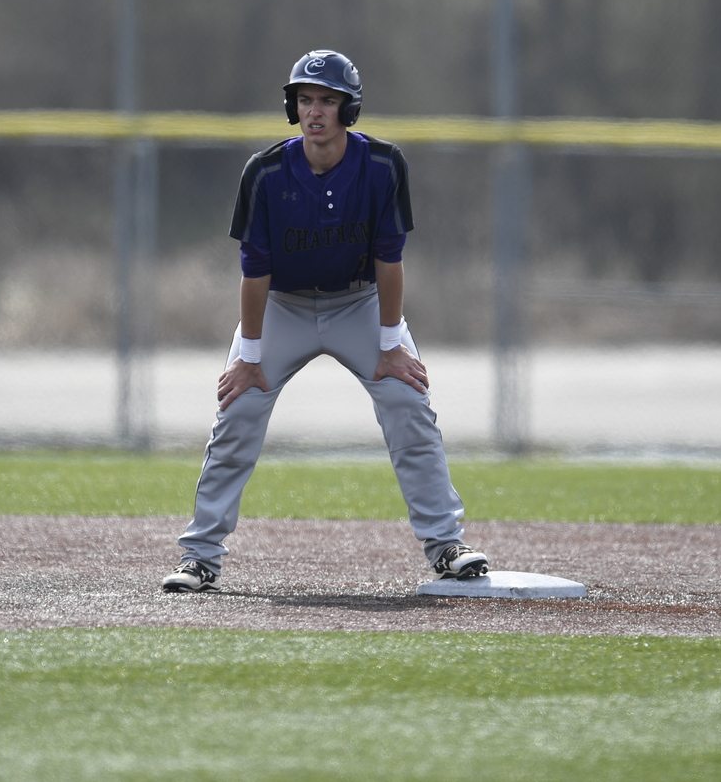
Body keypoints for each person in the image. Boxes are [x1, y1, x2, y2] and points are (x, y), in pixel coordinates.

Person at [161, 50, 488, 592]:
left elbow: (389, 260)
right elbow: (255, 272)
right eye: (305, 99)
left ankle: (445, 544)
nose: (315, 111)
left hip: (359, 304)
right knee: (237, 412)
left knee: (408, 403)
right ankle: (200, 556)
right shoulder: (265, 172)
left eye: (328, 101)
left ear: (348, 109)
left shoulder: (382, 165)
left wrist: (390, 344)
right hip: (281, 307)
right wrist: (247, 358)